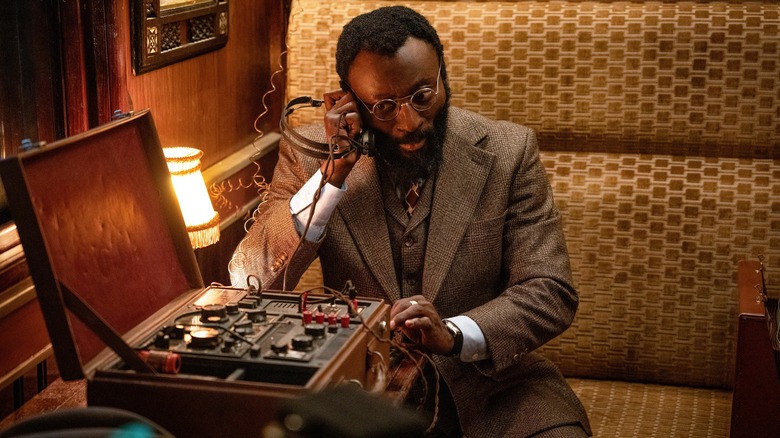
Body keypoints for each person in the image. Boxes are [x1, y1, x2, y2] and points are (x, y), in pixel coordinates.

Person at [230, 5, 590, 437]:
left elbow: (550, 291)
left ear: (442, 75)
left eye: (422, 95)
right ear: (351, 103)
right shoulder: (311, 156)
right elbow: (248, 279)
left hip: (494, 392)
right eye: (384, 106)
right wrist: (333, 174)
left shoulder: (509, 151)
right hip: (364, 396)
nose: (410, 121)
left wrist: (454, 334)